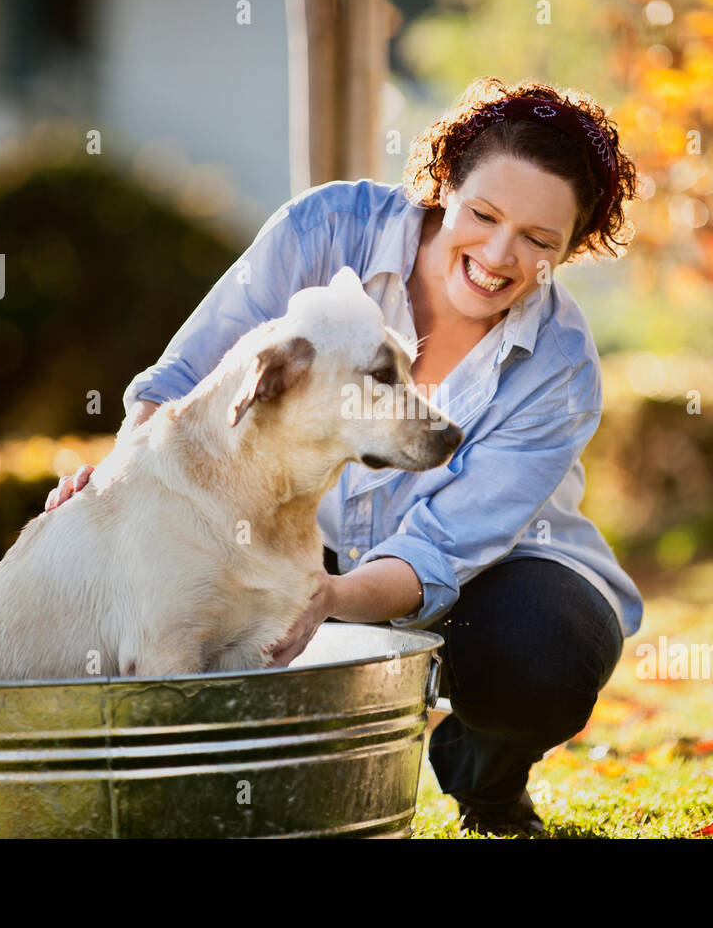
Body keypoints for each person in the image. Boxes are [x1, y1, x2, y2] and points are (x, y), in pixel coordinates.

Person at [47, 76, 645, 836]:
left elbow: (442, 547)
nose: (499, 256)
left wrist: (329, 599)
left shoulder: (559, 362)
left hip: (493, 575)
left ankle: (484, 773)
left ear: (571, 249)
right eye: (484, 215)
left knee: (543, 652)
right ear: (443, 185)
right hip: (293, 539)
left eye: (539, 241)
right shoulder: (327, 228)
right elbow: (184, 385)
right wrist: (116, 493)